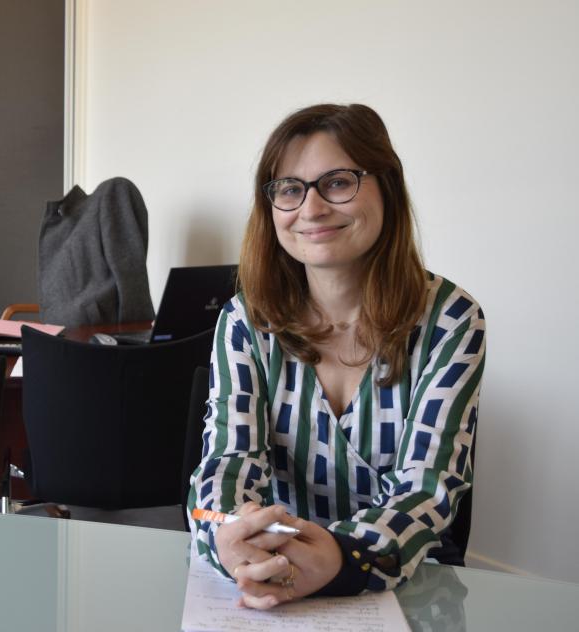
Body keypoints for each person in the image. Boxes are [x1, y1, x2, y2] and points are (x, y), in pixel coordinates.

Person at [187, 104, 485, 608]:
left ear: (387, 187)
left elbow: (426, 488)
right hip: (272, 575)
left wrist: (342, 556)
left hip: (398, 583)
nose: (312, 208)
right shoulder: (246, 320)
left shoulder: (451, 320)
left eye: (338, 182)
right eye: (289, 189)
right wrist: (233, 541)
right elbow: (228, 461)